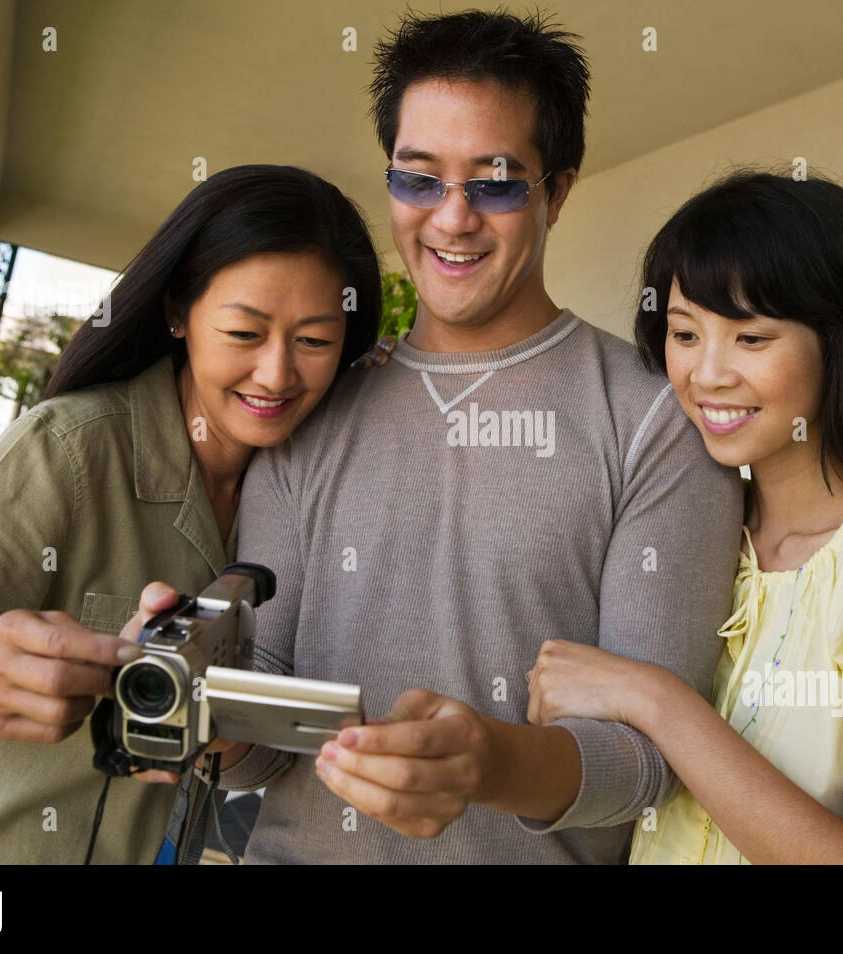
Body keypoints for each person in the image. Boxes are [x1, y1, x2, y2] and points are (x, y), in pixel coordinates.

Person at [167, 10, 744, 864]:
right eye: (419, 179)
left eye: (498, 182)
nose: (452, 218)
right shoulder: (311, 404)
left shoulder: (655, 418)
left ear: (558, 192)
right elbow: (264, 731)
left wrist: (492, 762)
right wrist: (198, 716)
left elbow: (654, 758)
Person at [0, 165, 381, 863]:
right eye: (244, 333)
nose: (277, 374)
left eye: (314, 342)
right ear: (176, 312)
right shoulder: (70, 448)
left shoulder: (297, 495)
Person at [525, 170, 843, 864]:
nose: (707, 374)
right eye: (684, 333)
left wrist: (654, 699)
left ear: (839, 343)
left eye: (751, 338)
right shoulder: (691, 540)